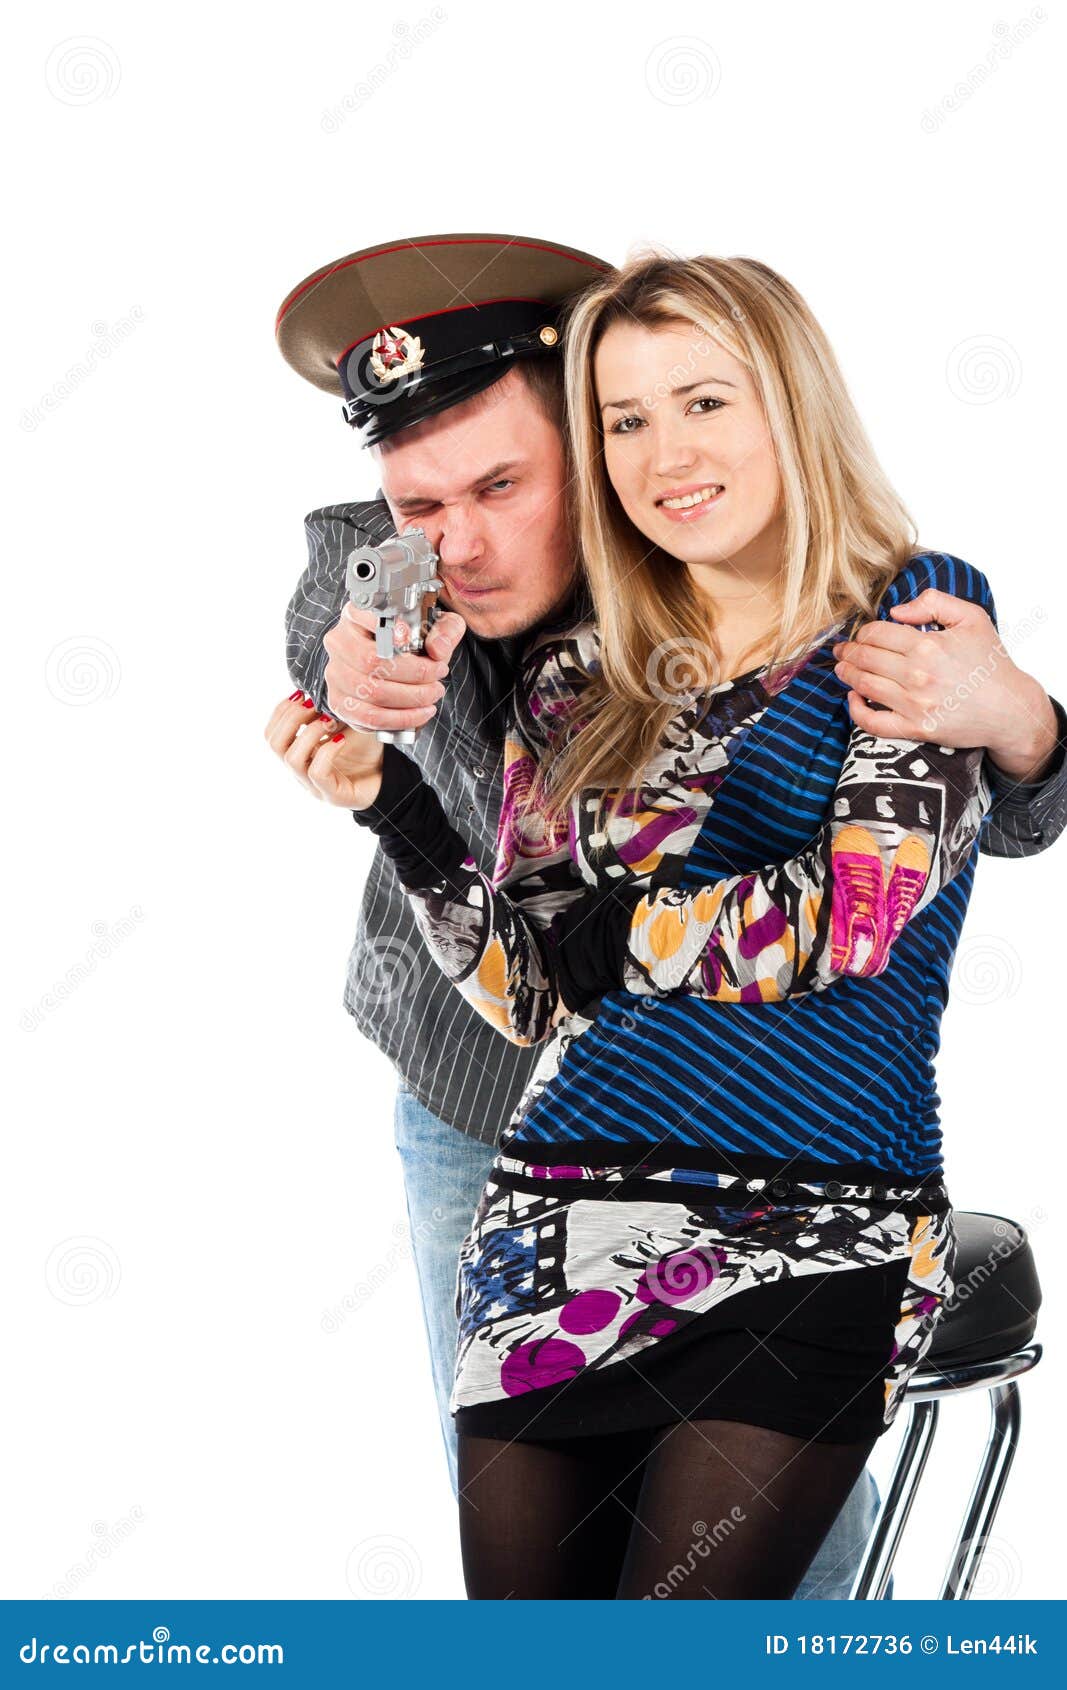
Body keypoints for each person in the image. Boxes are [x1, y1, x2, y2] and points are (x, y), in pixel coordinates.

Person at [267, 234, 1067, 1598]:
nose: (459, 539)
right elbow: (344, 657)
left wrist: (1030, 724)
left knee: (748, 1610)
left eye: (505, 483)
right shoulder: (508, 627)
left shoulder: (887, 605)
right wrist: (375, 763)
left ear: (568, 446)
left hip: (802, 1197)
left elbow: (881, 891)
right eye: (421, 501)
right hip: (512, 1138)